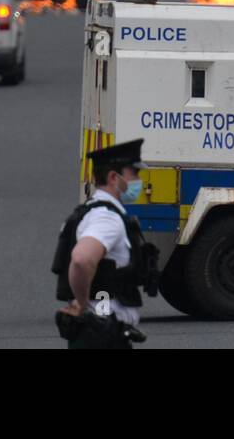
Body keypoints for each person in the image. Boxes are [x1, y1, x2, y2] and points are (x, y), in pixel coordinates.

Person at [52, 139, 159, 349]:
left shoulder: (91, 210)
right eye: (133, 174)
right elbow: (81, 259)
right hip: (103, 335)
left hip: (98, 333)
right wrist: (82, 303)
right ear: (113, 177)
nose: (138, 180)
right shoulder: (107, 219)